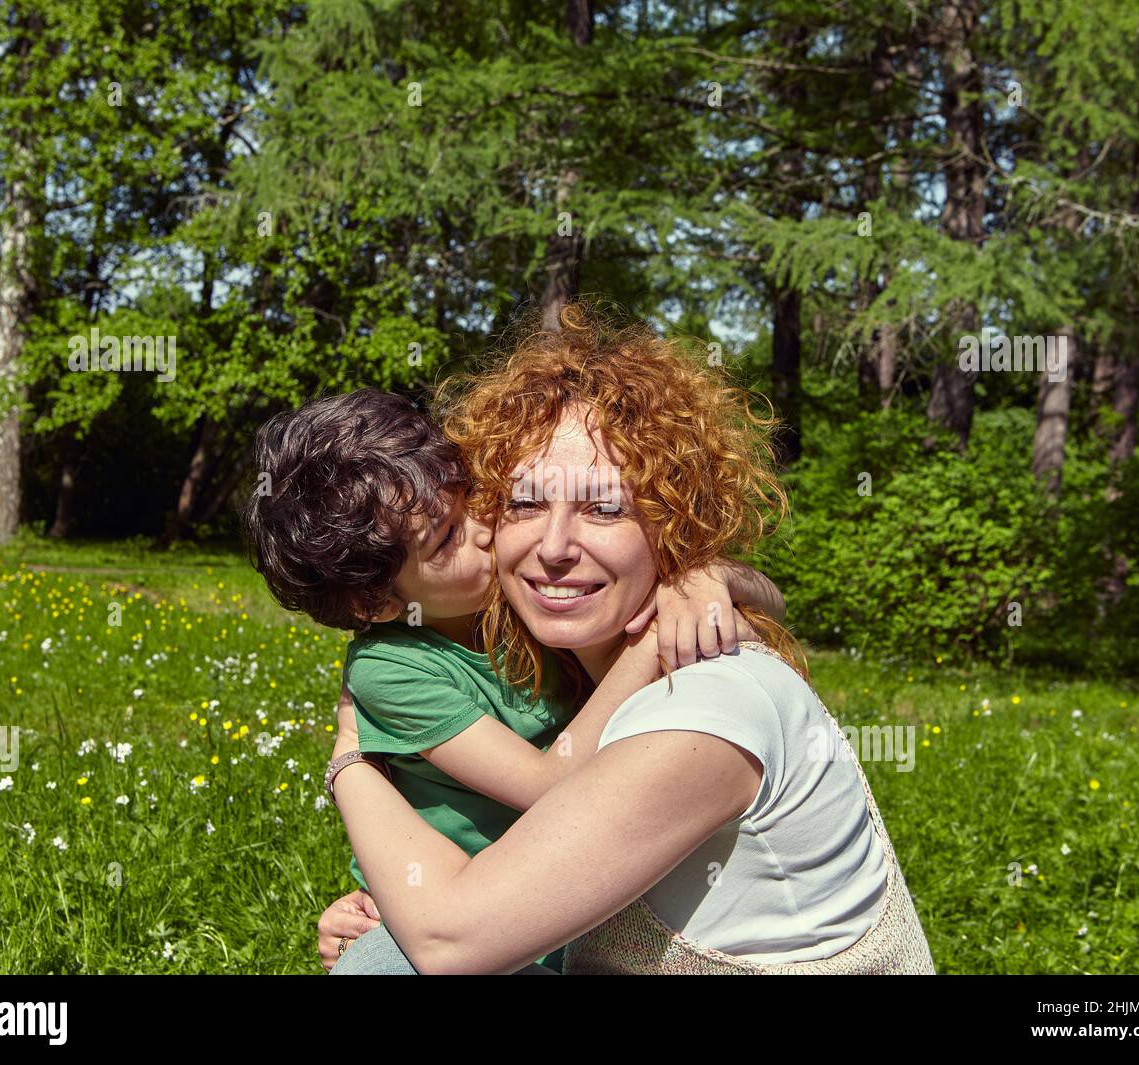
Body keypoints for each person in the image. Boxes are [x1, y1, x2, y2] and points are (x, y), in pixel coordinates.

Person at [324, 302, 935, 974]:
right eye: (526, 503)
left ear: (672, 522)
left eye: (604, 506)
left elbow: (450, 943)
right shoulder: (570, 661)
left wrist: (353, 758)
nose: (554, 547)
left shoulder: (701, 704)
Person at [237, 387, 786, 973]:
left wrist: (703, 578)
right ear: (376, 603)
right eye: (445, 539)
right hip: (480, 908)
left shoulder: (519, 593)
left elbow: (769, 599)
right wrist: (649, 641)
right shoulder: (390, 667)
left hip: (569, 893)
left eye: (467, 499)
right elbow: (550, 786)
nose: (480, 529)